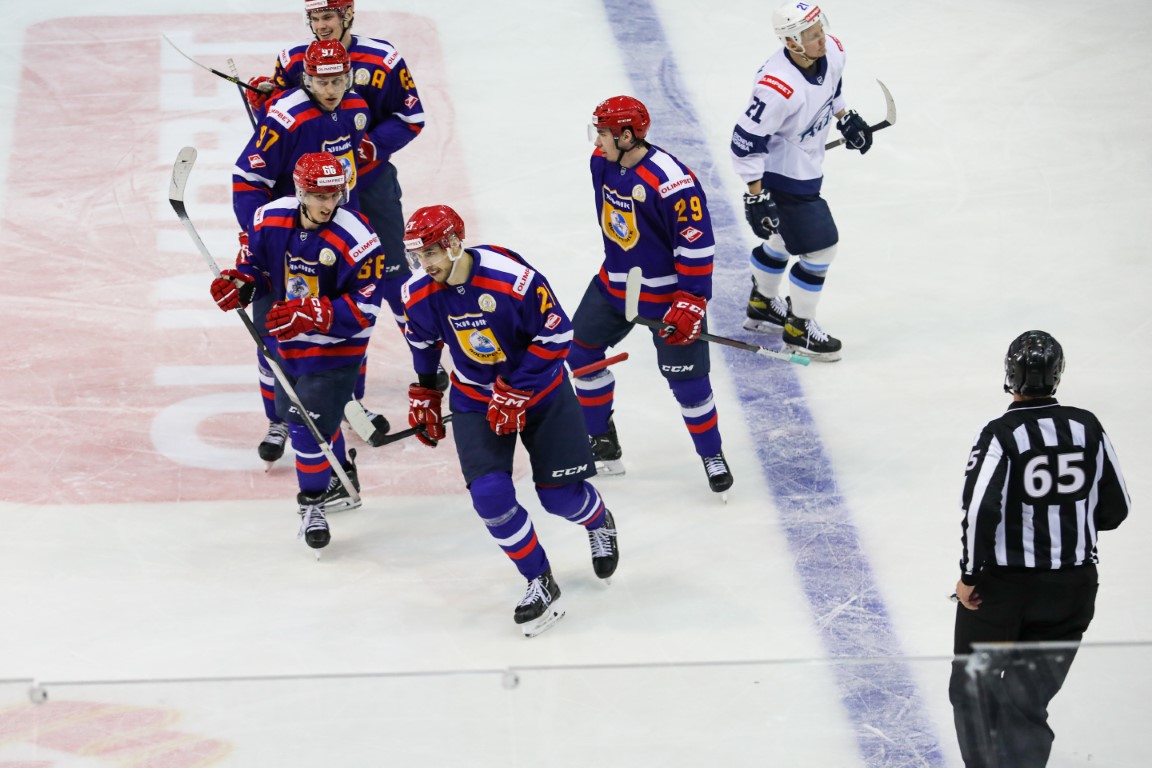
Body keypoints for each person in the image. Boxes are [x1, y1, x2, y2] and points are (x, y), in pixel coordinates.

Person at [400, 205, 619, 638]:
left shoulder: (511, 279)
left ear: (454, 243)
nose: (424, 265)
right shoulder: (418, 292)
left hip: (541, 393)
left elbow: (557, 335)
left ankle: (598, 521)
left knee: (559, 498)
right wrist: (426, 391)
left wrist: (518, 388)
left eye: (429, 253)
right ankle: (540, 580)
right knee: (490, 496)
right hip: (476, 399)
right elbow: (424, 342)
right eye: (416, 256)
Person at [248, 0, 447, 448]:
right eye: (315, 19)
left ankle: (428, 367)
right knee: (325, 288)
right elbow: (281, 128)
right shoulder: (292, 60)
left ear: (348, 17)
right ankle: (337, 391)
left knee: (393, 277)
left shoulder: (382, 59)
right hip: (318, 196)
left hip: (369, 188)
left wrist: (369, 147)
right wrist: (263, 102)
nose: (321, 26)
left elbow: (411, 117)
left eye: (329, 18)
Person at [948, 330, 1130, 767]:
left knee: (975, 691)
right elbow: (1116, 508)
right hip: (1071, 590)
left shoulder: (1000, 434)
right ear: (1057, 376)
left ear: (1009, 376)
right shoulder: (1088, 426)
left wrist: (969, 576)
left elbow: (978, 511)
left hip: (1001, 593)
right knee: (1026, 703)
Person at [211, 153, 385, 548]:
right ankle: (341, 475)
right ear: (300, 190)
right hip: (285, 343)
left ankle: (312, 503)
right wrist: (240, 284)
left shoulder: (358, 237)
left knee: (306, 428)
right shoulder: (268, 218)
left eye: (335, 194)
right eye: (318, 195)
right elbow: (255, 267)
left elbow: (368, 307)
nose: (328, 204)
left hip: (335, 353)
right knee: (318, 424)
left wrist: (314, 313)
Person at [566, 95, 733, 495]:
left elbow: (696, 244)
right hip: (614, 285)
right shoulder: (600, 164)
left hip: (666, 300)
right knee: (580, 352)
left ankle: (711, 453)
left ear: (627, 135)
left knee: (688, 383)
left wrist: (692, 301)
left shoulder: (673, 182)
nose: (597, 141)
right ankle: (602, 442)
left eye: (603, 133)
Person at [232, 38, 380, 464]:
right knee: (273, 339)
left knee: (347, 323)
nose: (330, 88)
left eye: (338, 80)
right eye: (320, 80)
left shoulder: (355, 110)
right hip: (284, 242)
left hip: (337, 238)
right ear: (305, 78)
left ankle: (347, 399)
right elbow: (248, 177)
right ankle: (278, 418)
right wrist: (252, 234)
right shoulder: (285, 118)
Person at [730, 1, 875, 362]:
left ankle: (762, 303)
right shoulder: (777, 87)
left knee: (780, 238)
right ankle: (800, 327)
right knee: (821, 248)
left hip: (806, 167)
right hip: (782, 176)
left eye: (819, 30)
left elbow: (832, 88)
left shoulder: (834, 50)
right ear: (791, 42)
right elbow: (744, 144)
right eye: (811, 36)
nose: (821, 39)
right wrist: (756, 195)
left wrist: (845, 116)